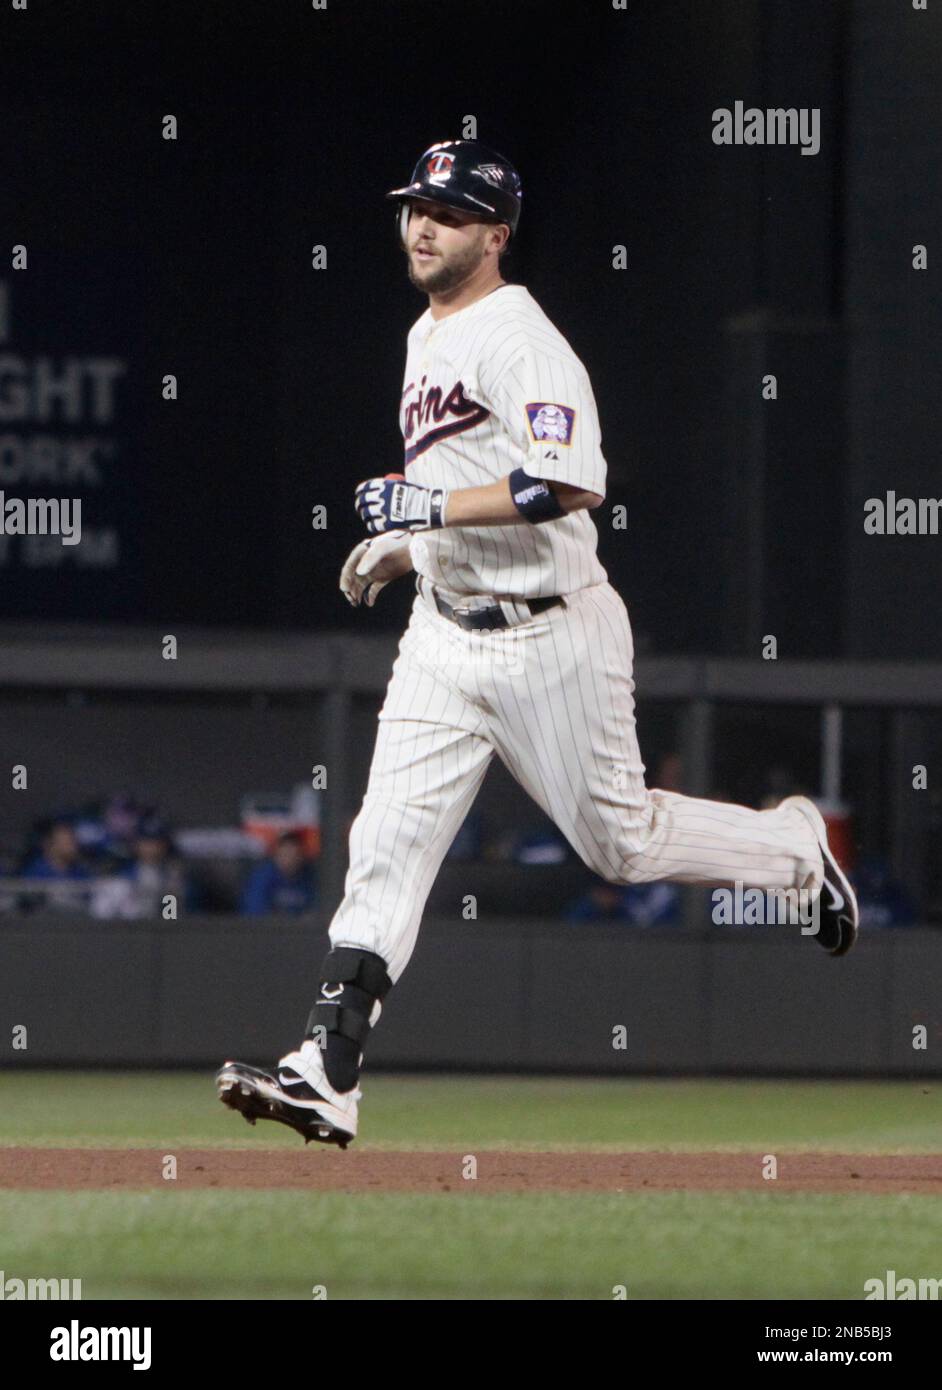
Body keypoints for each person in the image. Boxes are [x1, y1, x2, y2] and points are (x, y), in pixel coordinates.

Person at [216, 138, 859, 1149]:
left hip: (551, 632)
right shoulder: (426, 331)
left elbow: (568, 481)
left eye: (451, 212)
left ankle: (790, 848)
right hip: (445, 636)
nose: (423, 225)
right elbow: (466, 476)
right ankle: (326, 1068)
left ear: (496, 233)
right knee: (384, 844)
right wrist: (411, 545)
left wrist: (424, 503)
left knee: (623, 842)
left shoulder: (520, 338)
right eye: (416, 207)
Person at [240, 831, 317, 915]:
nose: (290, 859)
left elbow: (314, 910)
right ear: (276, 854)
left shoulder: (307, 878)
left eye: (295, 854)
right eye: (285, 854)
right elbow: (254, 912)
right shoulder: (262, 877)